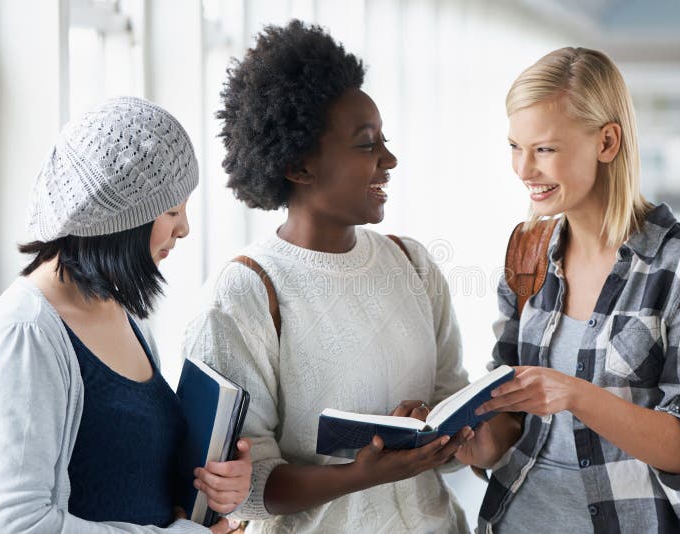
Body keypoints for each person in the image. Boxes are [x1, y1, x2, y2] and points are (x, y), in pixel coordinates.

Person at [182, 20, 473, 533]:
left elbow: (458, 420)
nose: (390, 160)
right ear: (299, 166)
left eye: (385, 140)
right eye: (366, 145)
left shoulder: (414, 265)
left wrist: (439, 432)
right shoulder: (246, 293)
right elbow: (240, 490)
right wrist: (360, 475)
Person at [455, 47, 680, 533]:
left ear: (607, 142)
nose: (523, 170)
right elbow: (509, 409)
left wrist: (576, 395)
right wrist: (482, 445)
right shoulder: (526, 252)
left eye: (544, 149)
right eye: (514, 147)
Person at [0, 97, 251, 533]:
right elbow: (17, 525)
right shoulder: (26, 334)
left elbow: (131, 478)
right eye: (172, 211)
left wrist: (216, 487)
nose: (184, 229)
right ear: (122, 220)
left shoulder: (123, 315)